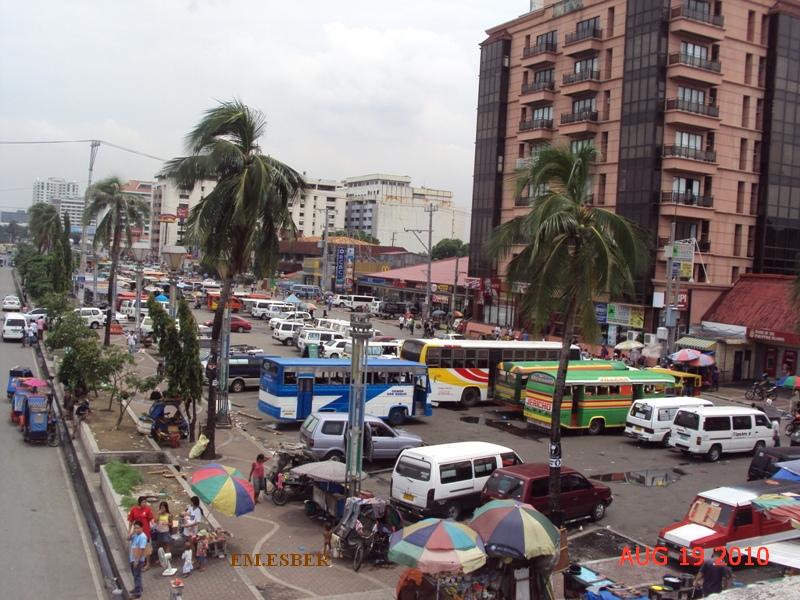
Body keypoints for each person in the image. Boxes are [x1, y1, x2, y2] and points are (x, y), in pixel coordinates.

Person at [128, 497, 154, 570]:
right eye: (143, 502)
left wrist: (153, 524)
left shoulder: (147, 509)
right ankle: (137, 561)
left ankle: (148, 564)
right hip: (136, 533)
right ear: (139, 502)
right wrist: (129, 531)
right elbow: (130, 520)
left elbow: (151, 519)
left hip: (146, 532)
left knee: (147, 548)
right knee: (137, 547)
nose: (144, 504)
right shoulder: (134, 510)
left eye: (145, 502)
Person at [128, 520, 148, 598]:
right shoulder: (135, 535)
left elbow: (141, 549)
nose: (136, 529)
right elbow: (127, 538)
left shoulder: (143, 537)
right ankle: (138, 587)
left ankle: (137, 592)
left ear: (141, 528)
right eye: (135, 528)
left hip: (138, 560)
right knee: (135, 575)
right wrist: (132, 532)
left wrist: (136, 560)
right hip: (132, 558)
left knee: (137, 576)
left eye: (137, 528)